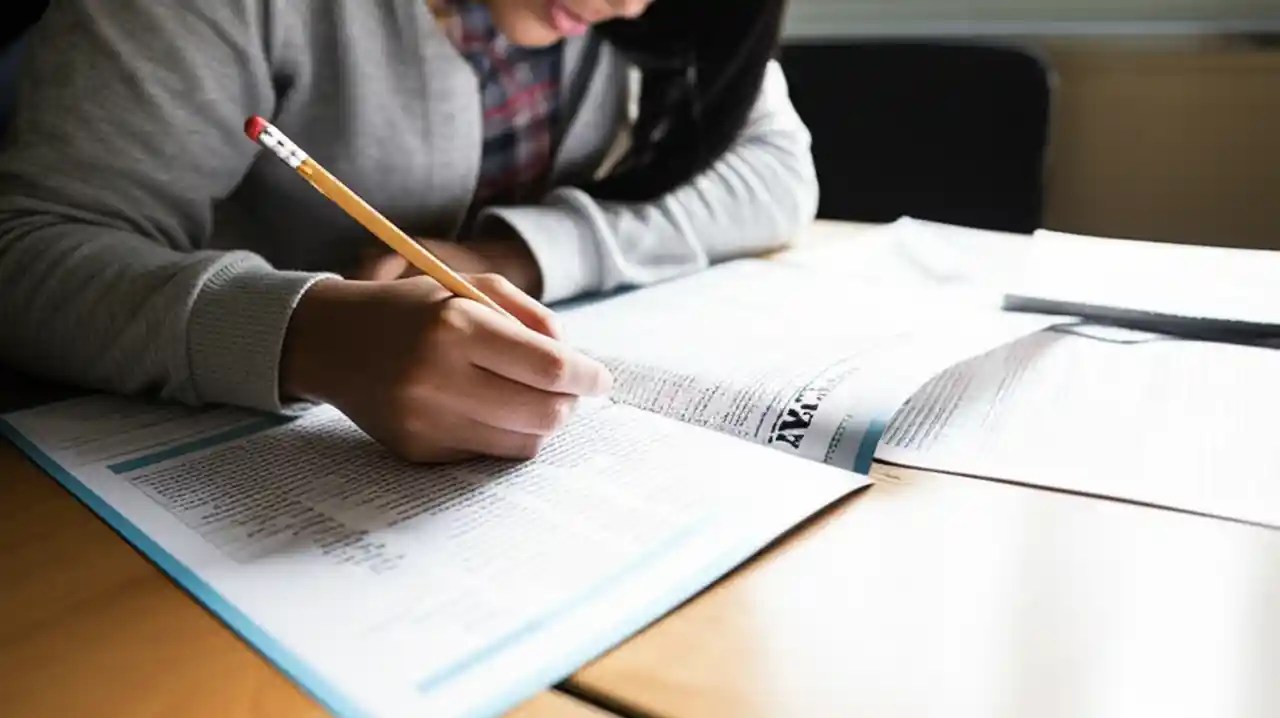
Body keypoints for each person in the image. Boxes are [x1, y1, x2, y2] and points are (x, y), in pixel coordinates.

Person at [0, 0, 818, 462]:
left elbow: (778, 172)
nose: (633, 6)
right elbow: (26, 252)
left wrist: (518, 254)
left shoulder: (658, 21)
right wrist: (305, 337)